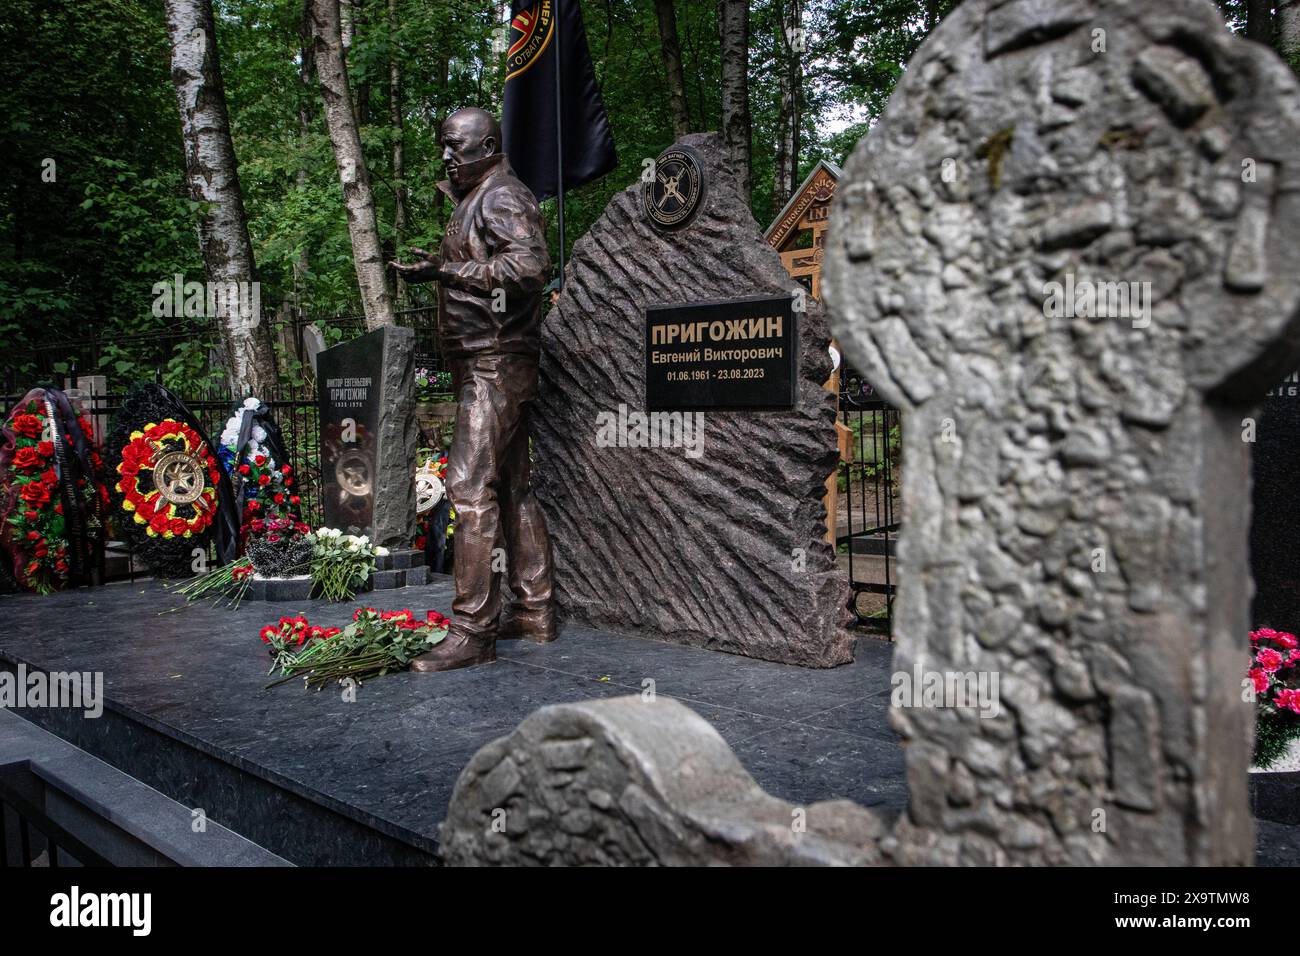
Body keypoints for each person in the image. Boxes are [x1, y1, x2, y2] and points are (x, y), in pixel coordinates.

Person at [390, 107, 556, 671]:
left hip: (496, 362)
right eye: (443, 146)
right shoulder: (474, 198)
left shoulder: (501, 195)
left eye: (453, 146)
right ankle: (534, 609)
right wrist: (444, 264)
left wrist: (447, 273)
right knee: (512, 486)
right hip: (486, 360)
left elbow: (530, 266)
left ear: (487, 145)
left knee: (466, 486)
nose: (445, 156)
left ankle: (473, 629)